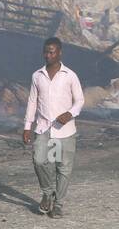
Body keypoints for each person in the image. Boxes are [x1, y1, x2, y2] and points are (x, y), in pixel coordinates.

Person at [23, 37, 85, 219]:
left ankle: (58, 204)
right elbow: (32, 101)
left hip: (65, 130)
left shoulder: (70, 75)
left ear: (60, 53)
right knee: (41, 161)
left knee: (63, 168)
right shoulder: (37, 76)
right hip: (43, 128)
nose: (48, 55)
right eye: (46, 52)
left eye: (52, 52)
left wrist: (70, 113)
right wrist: (27, 126)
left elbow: (80, 100)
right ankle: (47, 192)